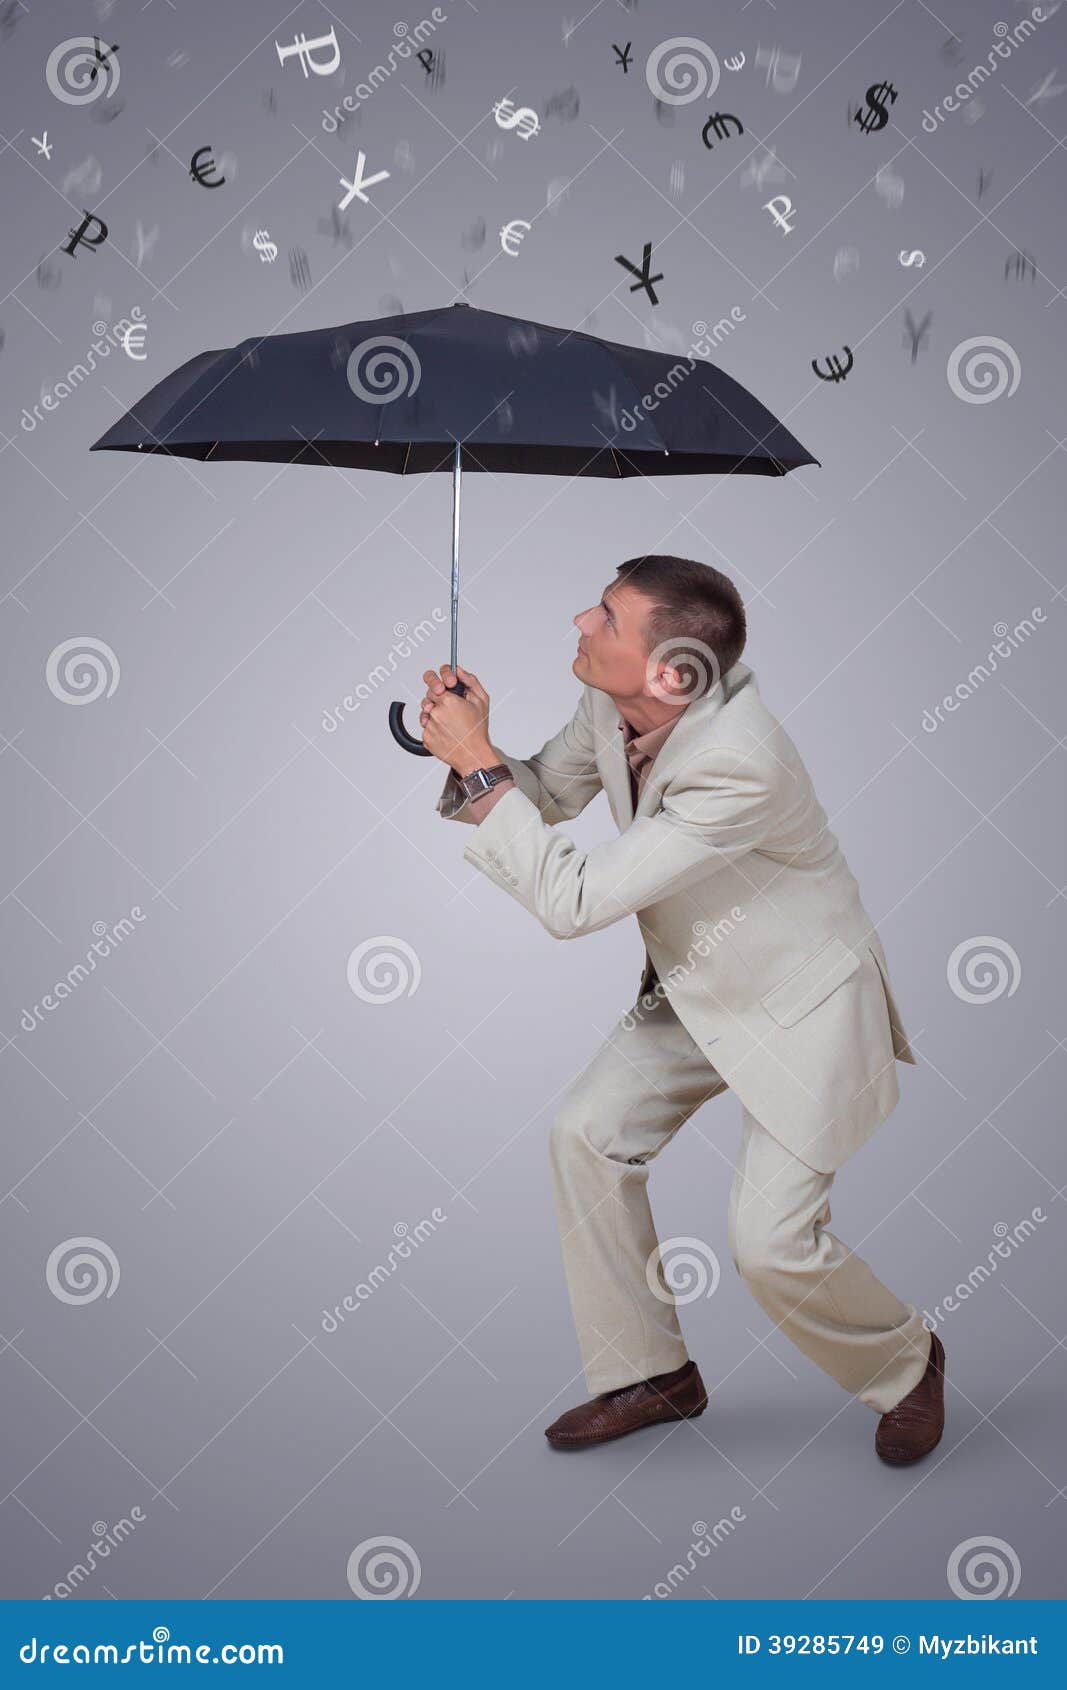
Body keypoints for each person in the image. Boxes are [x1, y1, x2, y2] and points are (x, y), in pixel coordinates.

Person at [420, 553, 944, 1465]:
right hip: (696, 983)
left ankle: (905, 1363)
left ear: (670, 672)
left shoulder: (740, 763)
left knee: (770, 1247)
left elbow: (575, 903)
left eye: (606, 616)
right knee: (584, 1136)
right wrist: (477, 749)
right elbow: (543, 797)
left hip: (799, 1006)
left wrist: (476, 763)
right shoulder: (611, 703)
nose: (581, 621)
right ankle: (650, 1374)